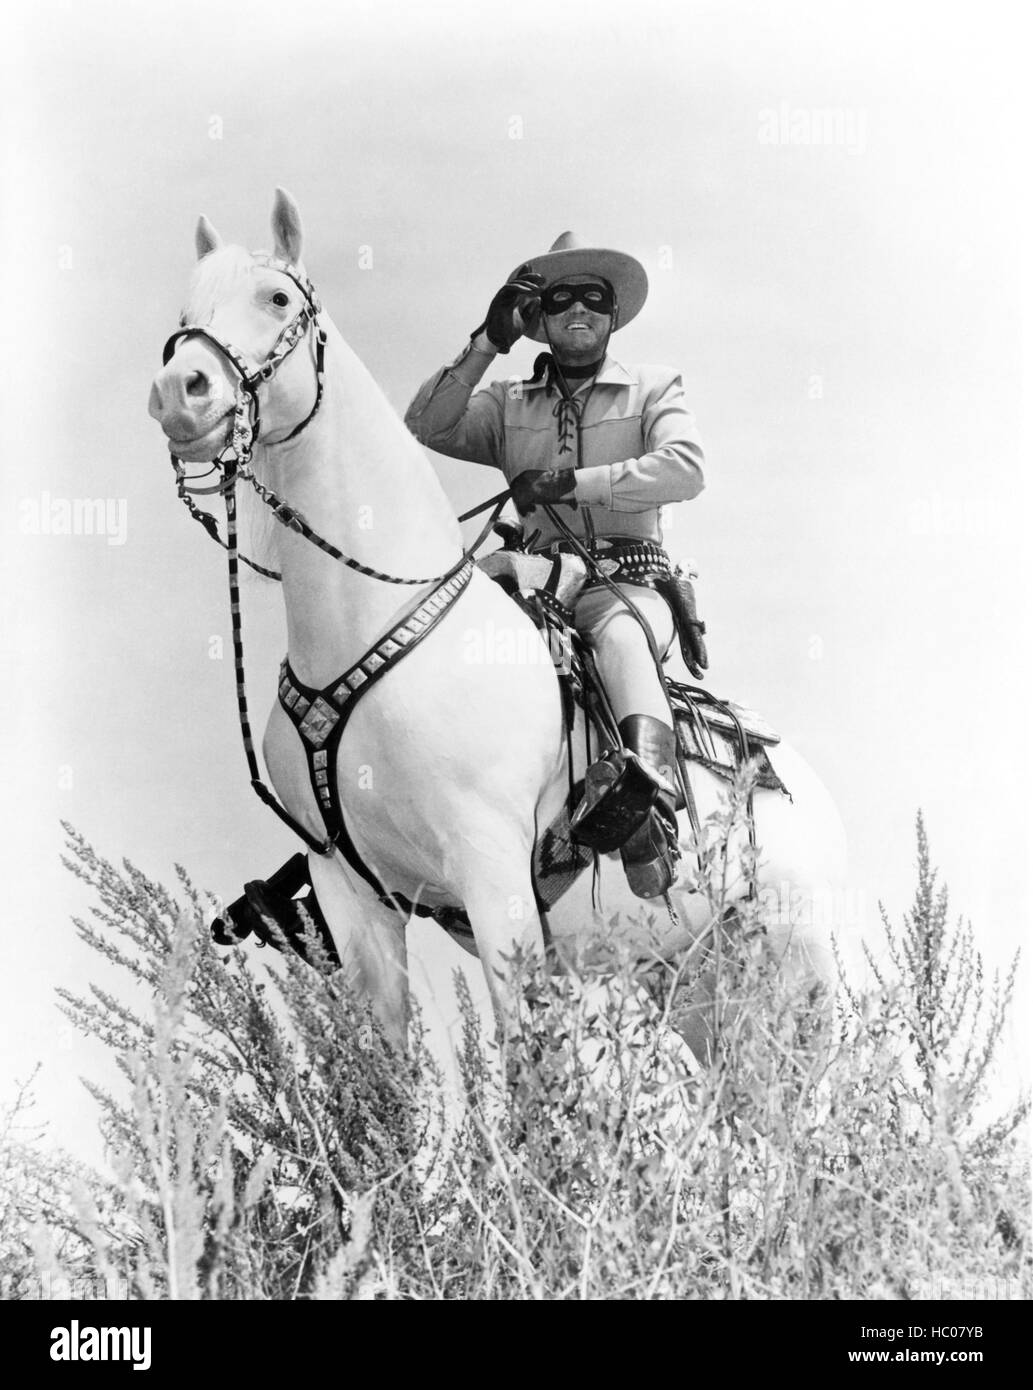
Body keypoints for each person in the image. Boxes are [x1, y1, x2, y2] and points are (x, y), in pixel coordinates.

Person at [404, 232, 707, 898]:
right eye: (560, 299)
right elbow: (424, 425)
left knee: (622, 639)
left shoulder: (652, 388)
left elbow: (684, 470)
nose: (578, 310)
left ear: (611, 314)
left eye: (593, 299)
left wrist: (572, 483)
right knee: (419, 641)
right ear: (537, 320)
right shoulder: (507, 404)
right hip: (527, 585)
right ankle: (382, 829)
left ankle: (647, 809)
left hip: (621, 579)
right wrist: (485, 343)